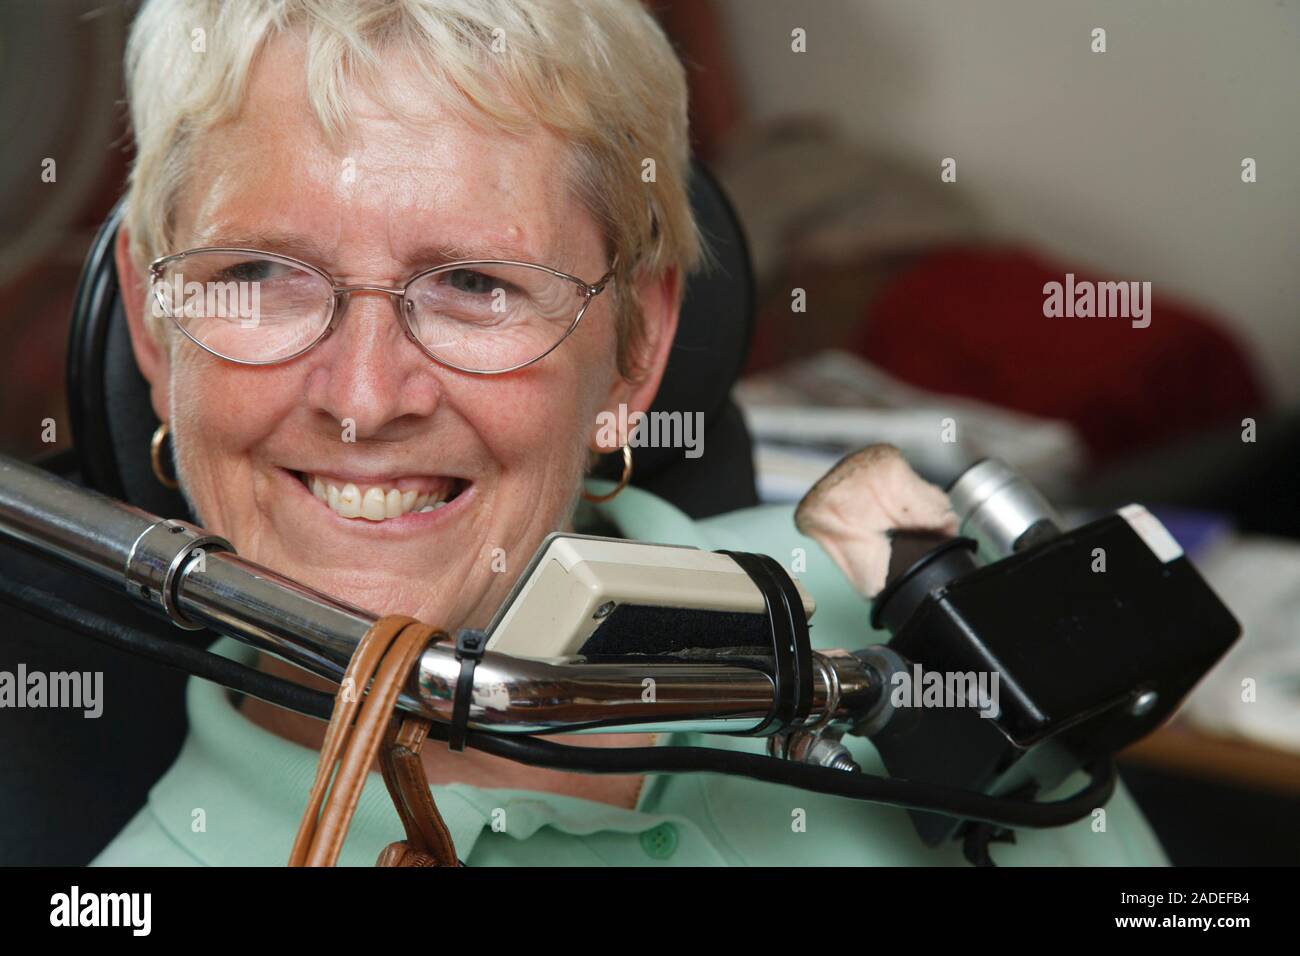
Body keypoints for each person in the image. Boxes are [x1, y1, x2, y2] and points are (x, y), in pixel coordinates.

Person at [93, 0, 1166, 866]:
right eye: (259, 275)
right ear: (151, 320)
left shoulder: (876, 609)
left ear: (638, 342)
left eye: (472, 282)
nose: (364, 397)